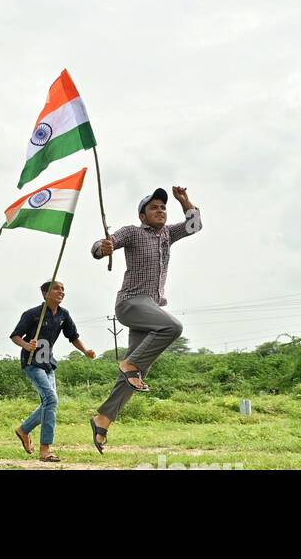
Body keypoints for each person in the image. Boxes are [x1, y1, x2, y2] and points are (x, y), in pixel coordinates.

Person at [87, 186, 202, 452]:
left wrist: (184, 201)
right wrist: (101, 248)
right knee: (173, 326)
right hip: (131, 302)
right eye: (154, 208)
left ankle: (103, 418)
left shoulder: (168, 235)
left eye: (163, 208)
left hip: (150, 308)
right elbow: (100, 247)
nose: (160, 211)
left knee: (136, 372)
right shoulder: (133, 232)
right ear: (143, 215)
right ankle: (129, 364)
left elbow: (195, 225)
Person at [10, 281, 96, 463]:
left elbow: (73, 336)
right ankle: (45, 450)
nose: (61, 292)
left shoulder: (64, 314)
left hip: (48, 363)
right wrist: (27, 345)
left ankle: (23, 430)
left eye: (63, 289)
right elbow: (15, 336)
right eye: (56, 288)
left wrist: (85, 351)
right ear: (44, 293)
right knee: (51, 399)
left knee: (49, 403)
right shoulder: (32, 314)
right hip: (32, 362)